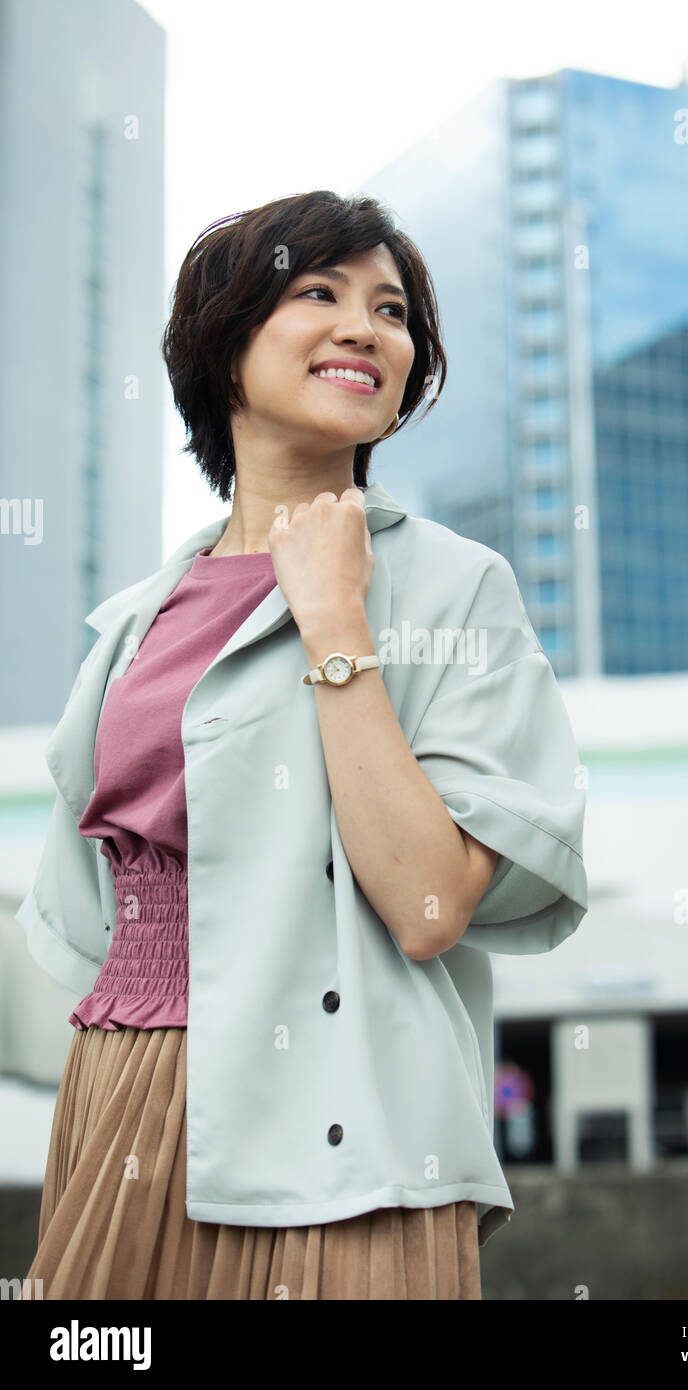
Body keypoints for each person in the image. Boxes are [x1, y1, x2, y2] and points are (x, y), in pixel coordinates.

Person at [17, 190, 589, 1300]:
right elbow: (88, 915)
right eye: (316, 293)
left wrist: (335, 623)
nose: (363, 329)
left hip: (348, 1118)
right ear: (224, 348)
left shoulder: (450, 585)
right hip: (128, 1092)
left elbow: (428, 909)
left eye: (389, 310)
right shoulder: (138, 616)